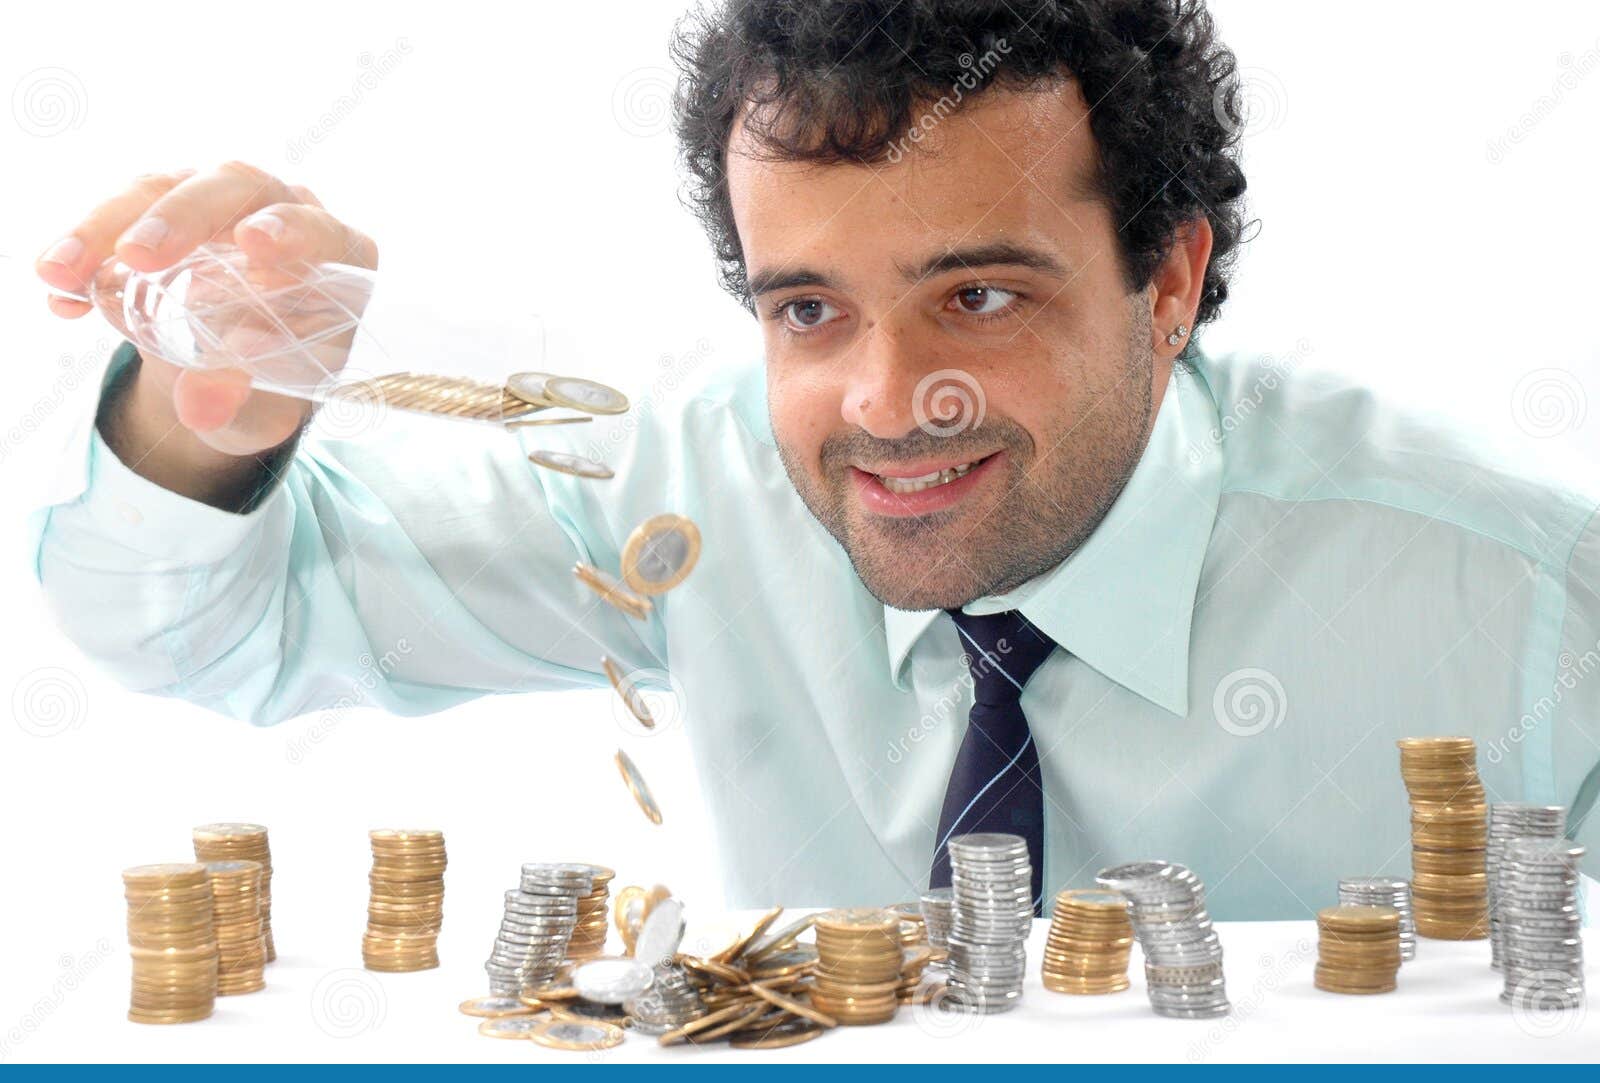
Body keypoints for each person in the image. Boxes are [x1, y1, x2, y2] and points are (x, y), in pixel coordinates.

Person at [26, 0, 1600, 919]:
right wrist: (212, 414)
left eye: (977, 296)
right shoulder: (691, 499)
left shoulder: (1518, 607)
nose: (884, 401)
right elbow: (205, 625)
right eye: (809, 309)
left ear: (1170, 281)